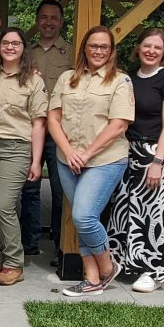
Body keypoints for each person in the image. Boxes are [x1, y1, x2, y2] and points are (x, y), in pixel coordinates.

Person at [46, 25, 134, 297]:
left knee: (84, 216)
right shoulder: (67, 78)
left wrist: (85, 153)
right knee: (81, 217)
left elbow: (118, 124)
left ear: (111, 51)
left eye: (104, 47)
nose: (98, 51)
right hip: (68, 159)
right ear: (84, 48)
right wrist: (69, 151)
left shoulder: (120, 81)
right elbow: (53, 118)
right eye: (93, 46)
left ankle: (107, 268)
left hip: (104, 160)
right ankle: (92, 279)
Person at [106, 28, 164, 293]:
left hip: (153, 153)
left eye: (157, 48)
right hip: (125, 151)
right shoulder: (126, 79)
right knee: (123, 210)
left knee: (152, 214)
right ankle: (123, 263)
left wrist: (158, 161)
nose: (151, 51)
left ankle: (152, 269)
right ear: (137, 48)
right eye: (146, 46)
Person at [0, 26, 47, 287]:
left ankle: (14, 262)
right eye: (6, 43)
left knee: (5, 204)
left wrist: (36, 161)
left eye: (16, 43)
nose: (10, 47)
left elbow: (39, 123)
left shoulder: (33, 80)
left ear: (23, 48)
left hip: (16, 148)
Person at [22, 0, 72, 257]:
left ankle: (60, 246)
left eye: (54, 18)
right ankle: (29, 242)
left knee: (59, 187)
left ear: (61, 22)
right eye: (44, 17)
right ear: (37, 21)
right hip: (31, 127)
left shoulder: (72, 53)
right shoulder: (26, 53)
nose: (48, 22)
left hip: (60, 130)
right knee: (29, 187)